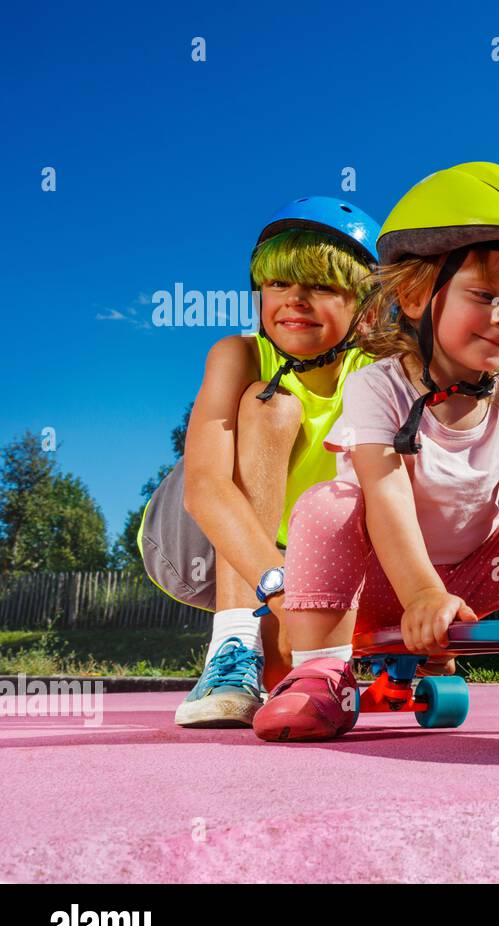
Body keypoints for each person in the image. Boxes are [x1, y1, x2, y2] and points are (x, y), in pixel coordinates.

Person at [252, 162, 499, 743]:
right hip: (375, 585)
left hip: (469, 579)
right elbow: (384, 495)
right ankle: (321, 671)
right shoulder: (378, 387)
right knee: (328, 503)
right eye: (485, 295)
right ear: (417, 296)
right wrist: (420, 594)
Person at [137, 197, 381, 727]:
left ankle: (273, 658)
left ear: (366, 303)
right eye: (277, 285)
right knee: (269, 405)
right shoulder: (239, 354)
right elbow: (205, 488)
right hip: (194, 541)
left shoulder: (381, 370)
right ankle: (230, 648)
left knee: (291, 677)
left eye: (320, 284)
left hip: (305, 556)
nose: (294, 300)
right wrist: (281, 592)